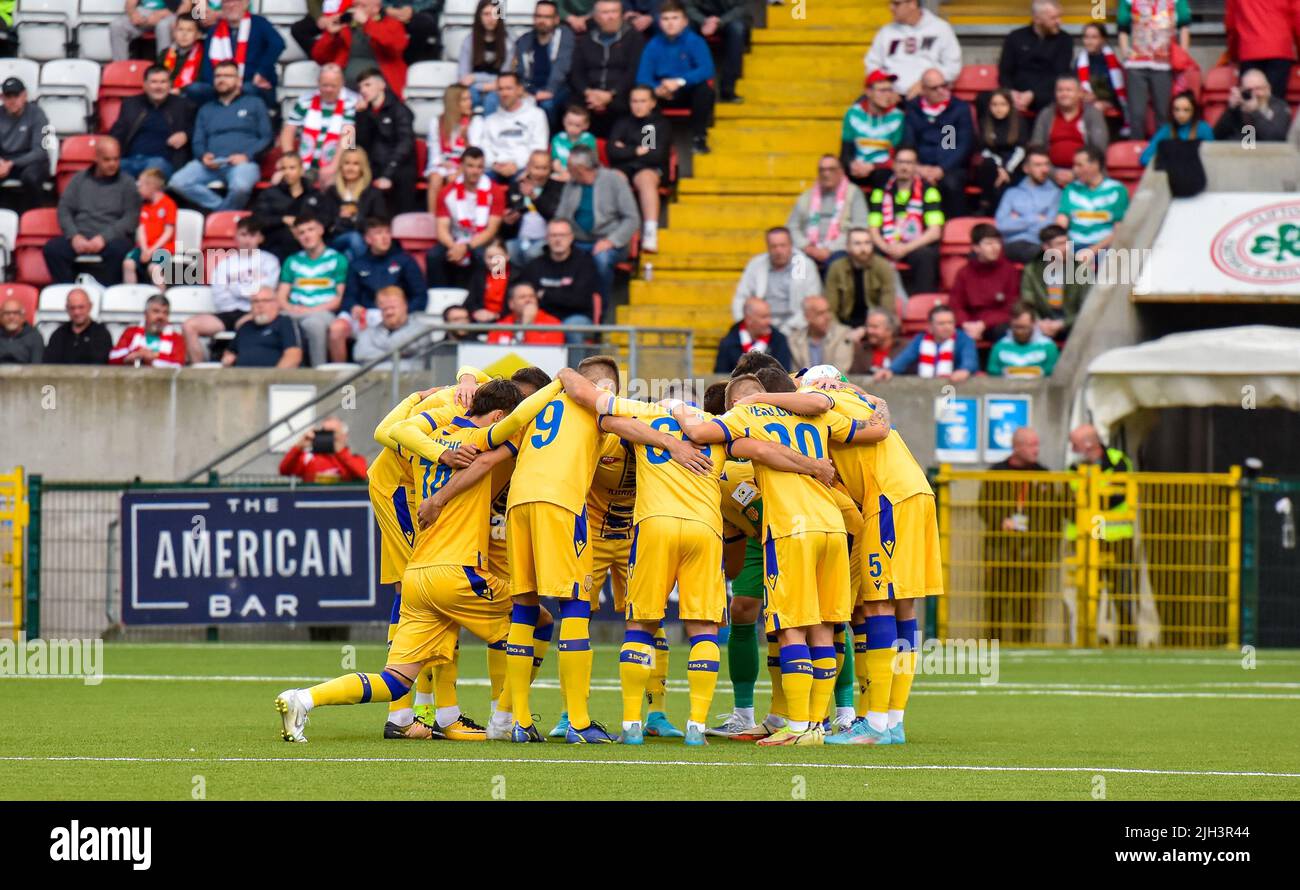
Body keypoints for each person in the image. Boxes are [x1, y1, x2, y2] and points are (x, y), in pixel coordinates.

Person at [978, 426, 1060, 644]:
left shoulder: (1044, 475)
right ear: (1017, 447)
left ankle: (1022, 644)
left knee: (1026, 602)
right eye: (1031, 445)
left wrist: (1044, 546)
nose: (1036, 449)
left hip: (1031, 552)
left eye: (1037, 444)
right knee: (996, 599)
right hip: (1000, 550)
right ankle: (993, 644)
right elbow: (984, 505)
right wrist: (999, 522)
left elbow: (1053, 514)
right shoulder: (996, 473)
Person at [168, 61, 272, 212]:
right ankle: (224, 211)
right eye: (218, 76)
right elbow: (198, 140)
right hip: (211, 163)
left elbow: (267, 138)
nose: (221, 80)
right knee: (177, 182)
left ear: (238, 80)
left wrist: (247, 156)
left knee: (241, 187)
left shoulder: (255, 103)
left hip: (243, 163)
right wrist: (203, 156)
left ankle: (220, 216)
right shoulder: (206, 109)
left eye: (227, 76)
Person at [1068, 423, 1136, 645]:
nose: (1073, 449)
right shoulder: (1073, 468)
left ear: (1089, 445)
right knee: (1086, 595)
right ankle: (1087, 640)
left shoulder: (1118, 461)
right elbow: (1068, 503)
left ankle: (1128, 641)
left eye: (1075, 444)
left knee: (1122, 594)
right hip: (1085, 541)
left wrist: (1090, 499)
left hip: (1117, 540)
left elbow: (1118, 495)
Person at [44, 137, 139, 287]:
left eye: (116, 159)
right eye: (107, 160)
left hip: (111, 238)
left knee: (120, 251)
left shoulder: (127, 183)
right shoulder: (78, 180)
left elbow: (131, 218)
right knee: (53, 249)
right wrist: (74, 236)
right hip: (80, 234)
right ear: (96, 158)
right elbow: (64, 209)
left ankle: (107, 293)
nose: (112, 164)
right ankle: (70, 292)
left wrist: (104, 238)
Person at [553, 144, 639, 309]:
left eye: (569, 166)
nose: (567, 169)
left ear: (580, 168)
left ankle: (600, 311)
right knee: (544, 254)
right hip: (576, 241)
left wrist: (610, 241)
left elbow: (632, 219)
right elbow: (561, 217)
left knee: (601, 259)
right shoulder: (571, 185)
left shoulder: (613, 180)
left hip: (609, 241)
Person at [185, 215, 281, 362]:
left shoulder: (270, 261)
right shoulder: (224, 264)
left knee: (245, 324)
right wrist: (248, 290)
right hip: (227, 312)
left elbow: (265, 292)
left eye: (252, 235)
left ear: (260, 238)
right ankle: (198, 370)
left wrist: (236, 289)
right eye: (243, 235)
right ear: (235, 237)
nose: (247, 240)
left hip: (254, 311)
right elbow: (219, 296)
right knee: (189, 325)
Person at [330, 217, 426, 361]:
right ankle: (339, 374)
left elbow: (420, 295)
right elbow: (349, 297)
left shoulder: (405, 260)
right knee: (336, 329)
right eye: (378, 233)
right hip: (366, 313)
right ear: (368, 239)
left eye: (387, 232)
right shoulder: (358, 264)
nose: (385, 237)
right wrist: (353, 307)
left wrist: (402, 311)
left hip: (396, 313)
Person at [636, 0, 715, 154]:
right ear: (659, 22)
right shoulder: (653, 44)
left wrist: (679, 82)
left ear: (685, 21)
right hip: (661, 92)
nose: (670, 23)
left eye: (675, 18)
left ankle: (699, 138)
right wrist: (656, 89)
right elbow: (642, 77)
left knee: (705, 90)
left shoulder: (695, 41)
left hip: (686, 90)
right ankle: (648, 144)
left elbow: (707, 70)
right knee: (642, 96)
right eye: (665, 19)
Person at [867, 146, 943, 296]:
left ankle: (923, 304)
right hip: (887, 244)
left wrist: (906, 248)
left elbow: (934, 232)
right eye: (900, 162)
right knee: (868, 252)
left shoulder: (929, 191)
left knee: (926, 255)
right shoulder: (879, 192)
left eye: (909, 163)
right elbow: (873, 229)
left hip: (915, 245)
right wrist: (886, 247)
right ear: (893, 165)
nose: (904, 167)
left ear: (916, 166)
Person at [426, 146, 505, 289]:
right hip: (455, 239)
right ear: (462, 166)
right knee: (433, 256)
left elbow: (492, 229)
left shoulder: (495, 191)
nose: (475, 171)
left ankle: (497, 298)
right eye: (470, 166)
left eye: (480, 167)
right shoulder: (447, 192)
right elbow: (442, 229)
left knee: (497, 257)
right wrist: (454, 246)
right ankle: (438, 297)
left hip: (485, 240)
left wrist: (467, 247)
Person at [278, 213, 349, 367]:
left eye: (311, 230)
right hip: (295, 310)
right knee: (279, 320)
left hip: (323, 312)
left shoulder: (337, 259)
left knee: (314, 324)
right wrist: (291, 308)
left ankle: (318, 370)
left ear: (321, 230)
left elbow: (338, 299)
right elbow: (281, 297)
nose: (306, 236)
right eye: (301, 233)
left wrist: (311, 310)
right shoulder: (292, 261)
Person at [569, 0, 647, 137]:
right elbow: (576, 72)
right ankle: (572, 150)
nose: (611, 17)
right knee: (568, 107)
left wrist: (610, 94)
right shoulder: (586, 40)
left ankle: (648, 150)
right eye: (605, 13)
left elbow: (633, 71)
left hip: (621, 93)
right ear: (595, 17)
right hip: (590, 95)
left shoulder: (634, 38)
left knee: (642, 108)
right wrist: (588, 93)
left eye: (614, 12)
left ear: (621, 14)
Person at [608, 85, 671, 253]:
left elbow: (652, 156)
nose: (638, 105)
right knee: (613, 177)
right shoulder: (622, 122)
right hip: (624, 167)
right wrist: (635, 150)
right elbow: (612, 151)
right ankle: (611, 229)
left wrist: (625, 149)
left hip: (648, 168)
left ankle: (650, 232)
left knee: (645, 178)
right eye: (634, 101)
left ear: (652, 103)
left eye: (643, 101)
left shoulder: (653, 124)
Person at [903, 68, 973, 218]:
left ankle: (954, 230)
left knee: (951, 183)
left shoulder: (957, 109)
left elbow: (961, 145)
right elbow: (908, 142)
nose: (941, 91)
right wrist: (918, 168)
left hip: (949, 167)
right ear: (923, 90)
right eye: (935, 88)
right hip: (920, 167)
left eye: (944, 85)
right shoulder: (913, 109)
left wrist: (941, 169)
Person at [1117, 0, 1191, 141]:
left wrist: (1183, 55)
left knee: (1163, 114)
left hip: (1164, 65)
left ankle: (1163, 152)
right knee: (1137, 115)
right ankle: (1136, 150)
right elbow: (1122, 27)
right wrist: (1125, 51)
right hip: (1136, 65)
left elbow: (1184, 26)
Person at [192, 0, 285, 108]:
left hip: (251, 82)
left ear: (246, 3)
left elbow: (278, 44)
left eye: (236, 1)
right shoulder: (214, 30)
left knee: (248, 89)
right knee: (195, 90)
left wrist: (261, 72)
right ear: (222, 6)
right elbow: (207, 65)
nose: (231, 5)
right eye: (227, 2)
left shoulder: (259, 23)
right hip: (220, 84)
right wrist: (218, 83)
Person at [110, 65, 195, 181]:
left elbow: (200, 129)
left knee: (153, 170)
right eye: (154, 82)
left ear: (170, 85)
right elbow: (116, 134)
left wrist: (186, 135)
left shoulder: (183, 105)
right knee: (106, 170)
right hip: (131, 161)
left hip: (162, 163)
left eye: (163, 82)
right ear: (144, 85)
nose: (158, 87)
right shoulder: (130, 104)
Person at [863, 0, 961, 99]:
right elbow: (872, 64)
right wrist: (887, 88)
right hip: (890, 96)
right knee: (859, 108)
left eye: (896, 4)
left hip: (926, 95)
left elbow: (952, 67)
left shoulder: (940, 28)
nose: (891, 8)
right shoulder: (886, 31)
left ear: (912, 4)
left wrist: (924, 84)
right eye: (890, 3)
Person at [310, 0, 409, 97]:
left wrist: (367, 23)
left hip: (381, 87)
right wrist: (330, 36)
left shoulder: (391, 23)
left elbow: (396, 46)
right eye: (355, 5)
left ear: (376, 9)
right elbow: (319, 57)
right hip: (345, 88)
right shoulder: (345, 26)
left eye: (363, 6)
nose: (357, 10)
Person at [281, 64, 359, 186]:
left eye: (333, 86)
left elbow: (348, 136)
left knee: (330, 186)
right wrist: (290, 160)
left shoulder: (353, 102)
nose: (328, 89)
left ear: (342, 83)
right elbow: (289, 129)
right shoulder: (305, 100)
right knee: (280, 181)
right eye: (324, 85)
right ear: (318, 82)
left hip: (337, 164)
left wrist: (334, 166)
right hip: (305, 163)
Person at [354, 68, 417, 217]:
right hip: (372, 167)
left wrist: (388, 174)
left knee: (402, 177)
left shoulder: (400, 110)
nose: (363, 90)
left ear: (381, 85)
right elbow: (354, 144)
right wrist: (360, 116)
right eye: (360, 87)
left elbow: (405, 144)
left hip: (398, 168)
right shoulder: (360, 111)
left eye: (367, 85)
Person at [788, 156, 869, 271]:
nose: (826, 174)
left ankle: (830, 289)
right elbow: (792, 227)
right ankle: (799, 289)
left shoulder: (853, 193)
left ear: (841, 172)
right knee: (797, 263)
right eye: (822, 170)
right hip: (809, 249)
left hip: (840, 249)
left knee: (837, 264)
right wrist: (807, 247)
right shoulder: (807, 196)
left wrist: (830, 249)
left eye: (831, 169)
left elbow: (860, 226)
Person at [520, 218, 600, 333]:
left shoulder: (584, 263)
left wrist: (545, 294)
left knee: (570, 327)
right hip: (543, 317)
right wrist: (564, 295)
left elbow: (579, 300)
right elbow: (528, 296)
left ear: (571, 237)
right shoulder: (535, 265)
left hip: (576, 317)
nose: (558, 239)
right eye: (553, 235)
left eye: (562, 235)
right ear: (546, 238)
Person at [998, 0, 1074, 118]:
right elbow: (1005, 71)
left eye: (1060, 17)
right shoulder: (1015, 37)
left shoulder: (1065, 40)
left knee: (1057, 99)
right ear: (1037, 19)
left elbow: (1060, 74)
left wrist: (1033, 94)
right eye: (1053, 18)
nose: (1059, 22)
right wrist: (1011, 92)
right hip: (1016, 93)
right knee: (985, 99)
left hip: (1047, 94)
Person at [948, 223, 1022, 344]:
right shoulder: (964, 273)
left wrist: (984, 324)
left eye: (997, 243)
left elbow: (1011, 307)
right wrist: (966, 324)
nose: (995, 247)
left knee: (1005, 330)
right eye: (989, 243)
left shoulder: (1009, 271)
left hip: (996, 324)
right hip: (970, 324)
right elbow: (956, 305)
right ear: (976, 247)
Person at [1055, 145, 1129, 264]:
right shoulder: (1071, 188)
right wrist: (1060, 245)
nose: (1074, 170)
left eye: (1079, 165)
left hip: (1104, 247)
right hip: (1074, 245)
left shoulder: (1117, 190)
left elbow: (1119, 229)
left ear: (1095, 165)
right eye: (1074, 165)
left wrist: (1092, 251)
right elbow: (1061, 222)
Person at [1030, 74, 1109, 186]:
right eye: (1060, 90)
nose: (1064, 94)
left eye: (1069, 90)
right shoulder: (1046, 114)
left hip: (1086, 177)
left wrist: (1075, 173)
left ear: (1080, 93)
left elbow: (1098, 151)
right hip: (1050, 176)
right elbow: (1036, 148)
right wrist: (1053, 173)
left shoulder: (1093, 114)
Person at [253, 152, 332, 260]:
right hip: (276, 243)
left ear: (301, 170)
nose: (287, 172)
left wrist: (305, 226)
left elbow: (326, 218)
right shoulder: (269, 193)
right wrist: (282, 219)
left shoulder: (315, 194)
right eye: (283, 168)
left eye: (292, 168)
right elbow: (258, 219)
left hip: (310, 242)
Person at [479, 73, 551, 185]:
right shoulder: (490, 120)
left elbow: (539, 147)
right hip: (495, 168)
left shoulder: (537, 115)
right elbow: (485, 147)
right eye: (501, 89)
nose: (504, 93)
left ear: (519, 90)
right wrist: (495, 164)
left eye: (509, 88)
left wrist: (516, 164)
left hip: (524, 167)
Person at [824, 227, 897, 337]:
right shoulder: (836, 268)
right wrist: (842, 332)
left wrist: (866, 329)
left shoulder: (883, 266)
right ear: (847, 247)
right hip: (844, 323)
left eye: (867, 243)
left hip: (875, 324)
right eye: (857, 244)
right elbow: (830, 309)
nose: (863, 248)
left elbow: (886, 309)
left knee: (889, 326)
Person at [841, 70, 907, 190]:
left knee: (885, 176)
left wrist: (873, 166)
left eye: (890, 90)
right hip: (857, 167)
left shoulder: (898, 117)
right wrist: (852, 164)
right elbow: (846, 151)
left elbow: (896, 155)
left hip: (883, 170)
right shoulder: (853, 114)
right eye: (882, 91)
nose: (888, 95)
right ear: (868, 92)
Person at [514, 1, 576, 128]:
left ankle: (546, 143)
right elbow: (520, 70)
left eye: (547, 17)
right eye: (538, 16)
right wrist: (527, 90)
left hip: (558, 88)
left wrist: (549, 90)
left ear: (556, 19)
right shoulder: (524, 40)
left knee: (546, 105)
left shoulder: (565, 36)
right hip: (531, 89)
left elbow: (562, 68)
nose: (542, 20)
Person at [995, 145, 1061, 263]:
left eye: (1046, 164)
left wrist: (1017, 219)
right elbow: (1001, 226)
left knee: (1047, 256)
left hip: (1040, 245)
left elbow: (1050, 227)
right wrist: (1035, 218)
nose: (1044, 169)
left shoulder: (1056, 194)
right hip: (1012, 245)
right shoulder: (1012, 193)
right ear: (1026, 168)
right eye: (1038, 165)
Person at [1020, 223, 1086, 340]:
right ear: (1046, 247)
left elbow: (1087, 307)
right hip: (1041, 325)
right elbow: (1027, 302)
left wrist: (1062, 324)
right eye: (1060, 244)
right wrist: (1039, 323)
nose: (1066, 248)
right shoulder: (1031, 270)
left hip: (1072, 325)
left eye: (1067, 243)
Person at [320, 146, 387, 260]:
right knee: (353, 239)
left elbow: (379, 222)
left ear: (362, 167)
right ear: (341, 166)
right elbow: (322, 221)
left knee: (349, 253)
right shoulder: (331, 192)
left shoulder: (372, 193)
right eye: (347, 163)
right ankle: (367, 269)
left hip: (363, 239)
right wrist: (338, 216)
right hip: (334, 239)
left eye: (356, 164)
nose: (350, 168)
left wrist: (356, 217)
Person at [1226, 0, 1300, 101]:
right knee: (1274, 103)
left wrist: (1233, 54)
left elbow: (1232, 25)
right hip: (1279, 50)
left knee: (1248, 103)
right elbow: (1297, 18)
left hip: (1249, 51)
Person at [425, 84, 483, 209]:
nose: (469, 103)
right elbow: (434, 150)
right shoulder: (437, 122)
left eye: (469, 99)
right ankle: (433, 221)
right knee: (435, 179)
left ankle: (454, 220)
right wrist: (441, 163)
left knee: (453, 178)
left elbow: (475, 153)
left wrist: (466, 136)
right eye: (464, 100)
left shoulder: (476, 121)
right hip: (444, 164)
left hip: (466, 166)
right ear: (453, 103)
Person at [974, 89, 1029, 216]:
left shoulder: (1019, 122)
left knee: (1004, 181)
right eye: (994, 104)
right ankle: (987, 207)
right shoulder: (985, 122)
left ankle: (1003, 213)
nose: (998, 109)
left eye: (1003, 104)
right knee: (987, 166)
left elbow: (1021, 150)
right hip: (994, 164)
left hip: (1015, 165)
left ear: (1010, 105)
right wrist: (1000, 168)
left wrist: (1007, 170)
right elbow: (984, 149)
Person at [502, 149, 562, 266]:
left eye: (544, 168)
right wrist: (507, 222)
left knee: (532, 253)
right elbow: (505, 225)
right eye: (537, 168)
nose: (540, 173)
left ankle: (531, 282)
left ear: (550, 169)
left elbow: (554, 215)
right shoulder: (515, 186)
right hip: (518, 238)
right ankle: (498, 283)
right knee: (498, 256)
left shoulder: (558, 188)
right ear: (528, 167)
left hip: (545, 240)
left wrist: (533, 196)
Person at [0, 77, 51, 213]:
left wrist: (11, 163)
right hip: (5, 161)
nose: (12, 101)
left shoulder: (39, 114)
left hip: (32, 161)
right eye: (7, 96)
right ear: (2, 97)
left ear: (24, 95)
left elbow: (41, 151)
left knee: (31, 177)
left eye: (16, 95)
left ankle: (34, 217)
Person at [684, 0, 750, 103]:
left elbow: (741, 8)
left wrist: (720, 22)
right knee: (683, 27)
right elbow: (687, 6)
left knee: (737, 29)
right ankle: (687, 88)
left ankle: (728, 89)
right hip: (699, 18)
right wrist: (704, 21)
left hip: (728, 18)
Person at [222, 286, 304, 368]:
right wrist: (228, 359)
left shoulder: (285, 323)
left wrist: (273, 378)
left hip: (275, 378)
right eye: (255, 301)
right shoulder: (245, 327)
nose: (260, 305)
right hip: (242, 378)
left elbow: (293, 357)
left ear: (276, 303)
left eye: (265, 301)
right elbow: (230, 352)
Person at [892, 304, 978, 380]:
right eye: (941, 323)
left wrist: (964, 370)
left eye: (950, 322)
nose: (947, 327)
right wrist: (890, 370)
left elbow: (970, 360)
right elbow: (905, 358)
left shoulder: (963, 339)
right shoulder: (921, 339)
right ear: (930, 326)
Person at [123, 168, 177, 288]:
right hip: (145, 247)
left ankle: (161, 298)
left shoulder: (168, 204)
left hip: (164, 248)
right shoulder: (145, 206)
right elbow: (141, 230)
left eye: (141, 185)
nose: (138, 189)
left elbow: (168, 232)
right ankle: (131, 296)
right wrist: (145, 249)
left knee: (154, 268)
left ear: (151, 186)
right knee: (128, 263)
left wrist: (151, 250)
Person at [352, 286, 431, 368]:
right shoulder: (368, 333)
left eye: (393, 307)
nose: (389, 312)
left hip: (411, 378)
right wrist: (398, 354)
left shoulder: (421, 330)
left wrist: (378, 353)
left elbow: (410, 347)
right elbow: (360, 354)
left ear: (405, 305)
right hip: (373, 379)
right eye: (384, 309)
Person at [459, 0, 515, 114]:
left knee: (491, 100)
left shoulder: (509, 42)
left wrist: (475, 78)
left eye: (494, 14)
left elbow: (506, 78)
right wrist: (486, 85)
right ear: (479, 16)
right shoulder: (469, 41)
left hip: (498, 90)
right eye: (486, 14)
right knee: (464, 97)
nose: (490, 19)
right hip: (475, 89)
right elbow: (463, 78)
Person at [1076, 22, 1129, 141]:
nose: (1089, 41)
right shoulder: (1079, 62)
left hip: (1111, 106)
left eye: (1094, 37)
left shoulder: (1112, 63)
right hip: (1085, 105)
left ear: (1103, 39)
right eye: (1086, 37)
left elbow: (1118, 91)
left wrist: (1103, 100)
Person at [714, 296, 794, 372]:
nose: (769, 321)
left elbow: (785, 377)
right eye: (764, 317)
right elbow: (720, 378)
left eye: (769, 316)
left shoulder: (779, 341)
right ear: (749, 319)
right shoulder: (728, 343)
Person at [1214, 67, 1293, 143]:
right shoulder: (1238, 107)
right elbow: (1217, 136)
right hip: (1239, 153)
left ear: (1268, 89)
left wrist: (1256, 112)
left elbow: (1276, 139)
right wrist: (1230, 110)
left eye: (1258, 89)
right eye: (1249, 90)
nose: (1254, 94)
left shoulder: (1279, 106)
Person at [279, 417, 369, 482]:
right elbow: (284, 470)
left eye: (333, 433)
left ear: (344, 436)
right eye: (325, 433)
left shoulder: (353, 459)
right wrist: (299, 446)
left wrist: (340, 452)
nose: (330, 437)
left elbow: (362, 474)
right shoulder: (309, 458)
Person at [108, 293, 186, 367]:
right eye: (156, 311)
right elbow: (113, 356)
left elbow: (177, 365)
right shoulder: (131, 332)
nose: (161, 317)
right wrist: (134, 355)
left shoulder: (176, 338)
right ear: (145, 314)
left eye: (165, 313)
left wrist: (150, 358)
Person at [986, 302, 1060, 376]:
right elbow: (993, 376)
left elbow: (1052, 377)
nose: (1019, 332)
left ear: (1034, 323)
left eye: (1024, 327)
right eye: (1016, 327)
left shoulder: (1049, 347)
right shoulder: (999, 347)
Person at [44, 288, 112, 365]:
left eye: (81, 307)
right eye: (72, 308)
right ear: (67, 308)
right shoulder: (58, 335)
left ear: (90, 306)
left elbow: (100, 364)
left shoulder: (101, 334)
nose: (77, 312)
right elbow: (49, 364)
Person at [788, 295, 855, 372]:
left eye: (828, 311)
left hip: (834, 383)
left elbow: (839, 372)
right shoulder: (794, 340)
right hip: (803, 384)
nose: (828, 317)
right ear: (807, 317)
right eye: (820, 313)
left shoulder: (843, 335)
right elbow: (794, 375)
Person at [1144, 90, 1213, 164]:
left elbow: (1213, 158)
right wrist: (1168, 164)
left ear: (1194, 111)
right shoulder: (1167, 129)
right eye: (1177, 110)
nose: (1181, 115)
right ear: (1172, 111)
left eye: (1186, 110)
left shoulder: (1204, 128)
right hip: (1173, 174)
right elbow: (1144, 158)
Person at [486, 281, 566, 345]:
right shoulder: (499, 327)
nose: (528, 300)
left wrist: (528, 325)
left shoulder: (553, 324)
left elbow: (545, 355)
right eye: (522, 297)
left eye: (532, 296)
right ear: (511, 304)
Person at [111, 0, 190, 62]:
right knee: (117, 25)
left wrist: (168, 15)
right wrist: (133, 15)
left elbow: (186, 4)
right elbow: (129, 4)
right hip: (144, 12)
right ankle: (120, 69)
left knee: (163, 26)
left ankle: (164, 71)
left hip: (171, 12)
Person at [465, 239, 511, 322]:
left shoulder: (517, 276)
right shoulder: (479, 275)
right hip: (481, 321)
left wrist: (497, 316)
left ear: (507, 257)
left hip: (508, 322)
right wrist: (476, 312)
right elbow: (470, 301)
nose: (493, 262)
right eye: (489, 257)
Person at [158, 15, 204, 94]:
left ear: (198, 34)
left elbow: (200, 82)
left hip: (189, 96)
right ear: (174, 33)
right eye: (180, 29)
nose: (184, 34)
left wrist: (180, 90)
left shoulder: (202, 55)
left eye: (189, 30)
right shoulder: (165, 53)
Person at [550, 104, 598, 179]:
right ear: (564, 122)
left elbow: (591, 162)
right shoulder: (557, 138)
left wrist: (572, 175)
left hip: (582, 174)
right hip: (561, 173)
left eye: (577, 125)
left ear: (586, 125)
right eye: (570, 124)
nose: (572, 128)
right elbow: (555, 161)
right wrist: (562, 172)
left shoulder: (589, 139)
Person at [854, 308, 901, 379]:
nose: (869, 331)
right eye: (868, 326)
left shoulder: (905, 349)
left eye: (874, 327)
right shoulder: (861, 349)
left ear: (890, 330)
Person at [0, 298, 42, 364]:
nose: (11, 317)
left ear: (23, 317)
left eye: (16, 313)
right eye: (7, 313)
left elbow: (37, 367)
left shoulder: (35, 337)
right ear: (0, 317)